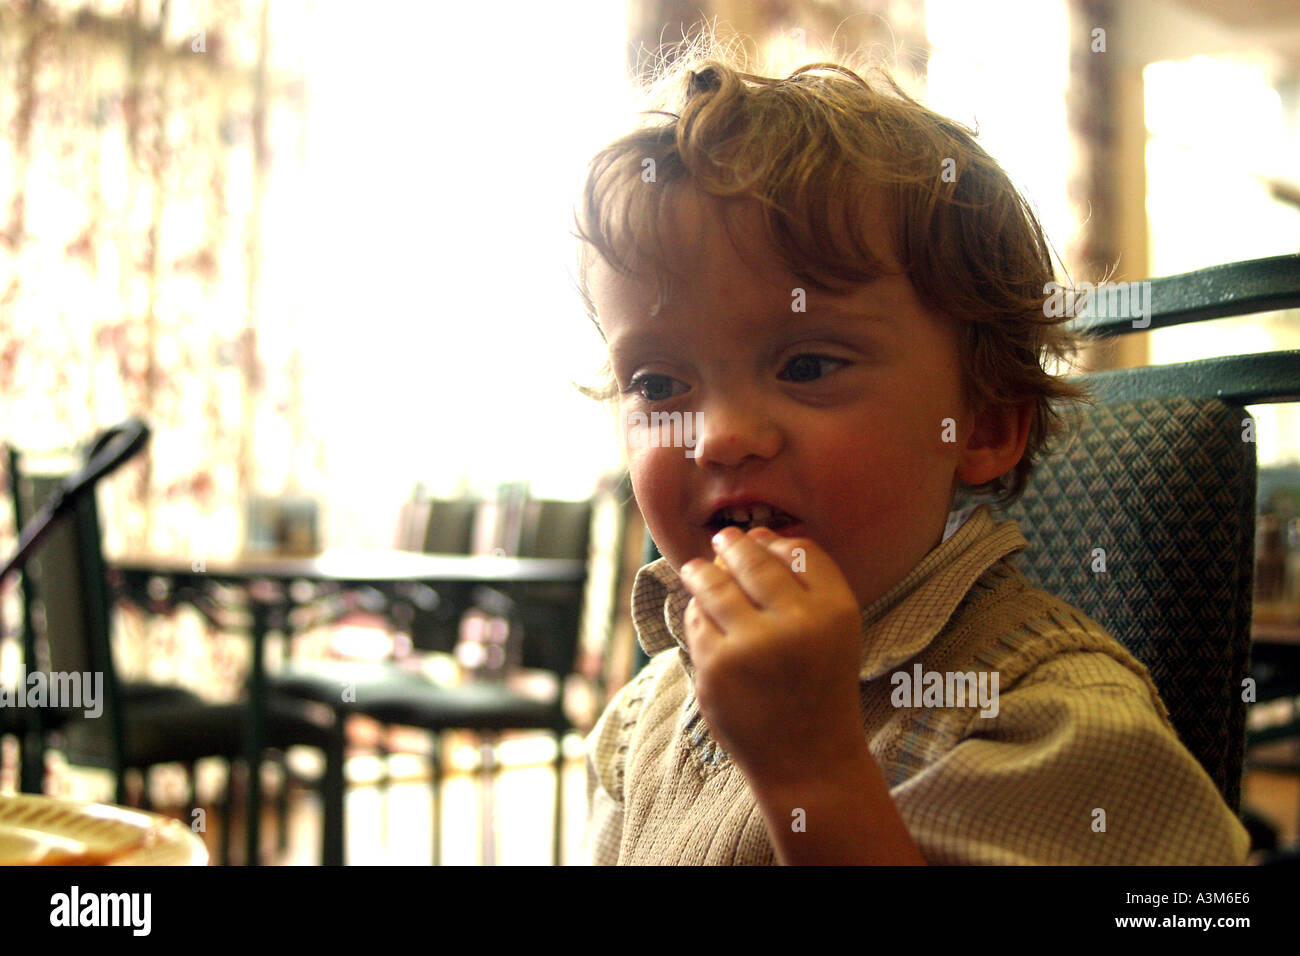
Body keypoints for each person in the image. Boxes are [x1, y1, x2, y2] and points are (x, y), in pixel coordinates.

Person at [572, 51, 1250, 865]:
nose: (717, 437)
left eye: (808, 366)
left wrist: (814, 775)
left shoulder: (1049, 722)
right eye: (657, 382)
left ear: (987, 422)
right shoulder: (649, 709)